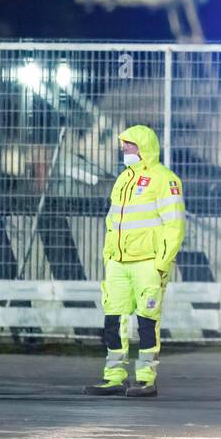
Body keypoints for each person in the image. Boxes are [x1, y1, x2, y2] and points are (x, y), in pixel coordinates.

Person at [86, 125, 186, 398]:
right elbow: (112, 221)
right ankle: (114, 377)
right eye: (123, 145)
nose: (124, 149)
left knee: (146, 322)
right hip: (118, 262)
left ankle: (145, 379)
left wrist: (161, 263)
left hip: (148, 263)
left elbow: (174, 226)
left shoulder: (165, 180)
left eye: (128, 145)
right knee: (113, 321)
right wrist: (108, 256)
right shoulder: (123, 179)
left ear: (143, 147)